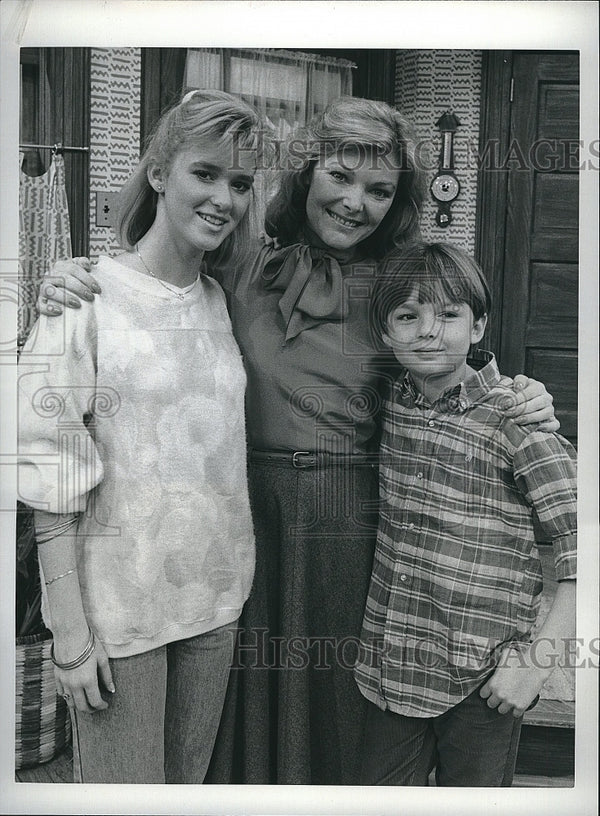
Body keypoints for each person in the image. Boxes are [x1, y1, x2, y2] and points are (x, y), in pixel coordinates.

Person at [37, 97, 559, 785]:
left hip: (353, 531)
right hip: (242, 521)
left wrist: (527, 396)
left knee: (344, 717)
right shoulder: (241, 264)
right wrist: (72, 277)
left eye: (379, 191)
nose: (354, 202)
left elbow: (463, 370)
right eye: (339, 177)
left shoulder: (402, 288)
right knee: (231, 716)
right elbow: (157, 283)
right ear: (307, 173)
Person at [17, 89, 260, 783]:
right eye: (205, 174)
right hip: (118, 613)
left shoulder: (222, 299)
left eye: (240, 183)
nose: (224, 198)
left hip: (215, 604)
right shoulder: (85, 299)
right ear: (159, 172)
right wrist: (69, 631)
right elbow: (47, 468)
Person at [355, 241, 576, 787]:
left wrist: (538, 661)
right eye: (408, 316)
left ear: (478, 326)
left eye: (448, 314)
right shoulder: (391, 404)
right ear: (386, 332)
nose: (428, 331)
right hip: (393, 673)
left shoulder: (516, 419)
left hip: (485, 684)